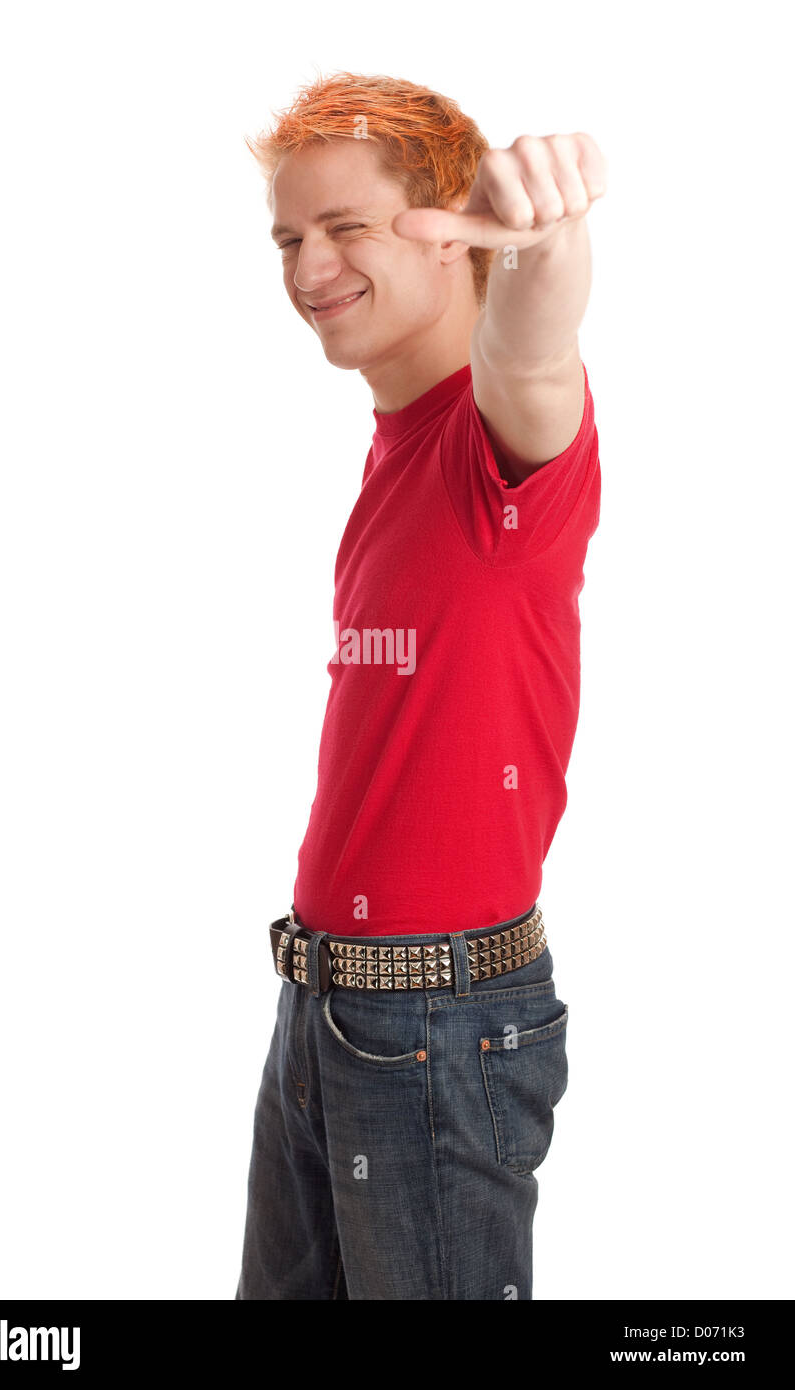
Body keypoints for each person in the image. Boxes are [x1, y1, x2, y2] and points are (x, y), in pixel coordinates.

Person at [235, 71, 605, 1301]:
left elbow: (534, 356)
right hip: (326, 1019)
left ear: (451, 234)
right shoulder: (391, 451)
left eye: (346, 228)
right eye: (290, 235)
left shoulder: (493, 440)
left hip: (439, 1036)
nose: (305, 268)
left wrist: (543, 249)